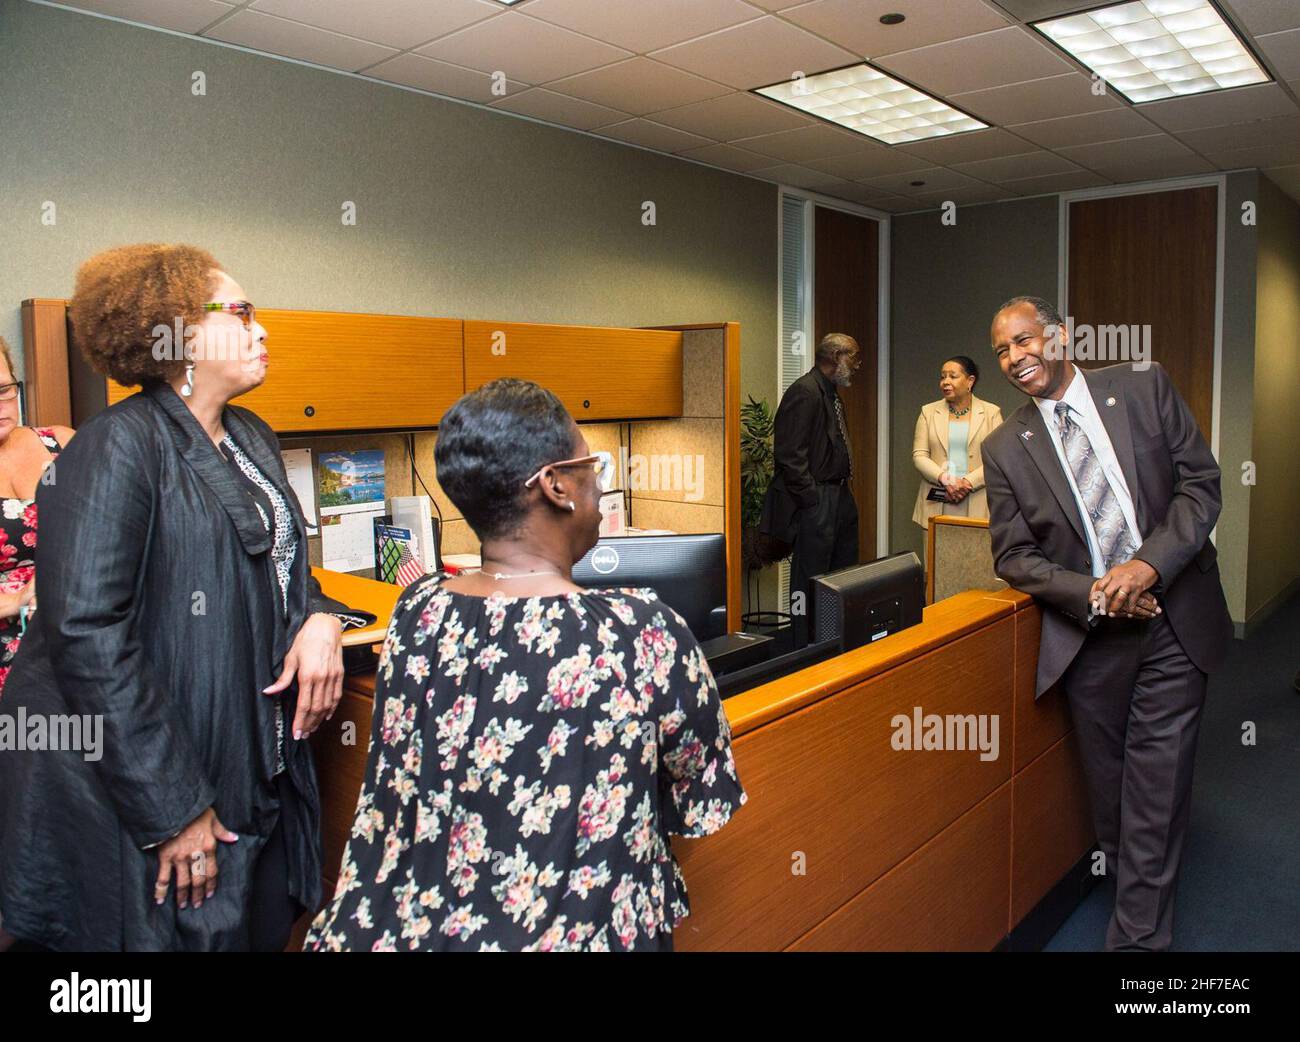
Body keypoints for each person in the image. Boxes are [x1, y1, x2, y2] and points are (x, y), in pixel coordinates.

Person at [0, 243, 370, 951]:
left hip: (253, 754)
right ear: (177, 333)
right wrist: (173, 809)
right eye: (241, 313)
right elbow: (87, 632)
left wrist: (319, 620)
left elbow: (288, 571)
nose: (263, 330)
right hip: (159, 773)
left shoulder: (254, 439)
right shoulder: (117, 448)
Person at [304, 378, 745, 952]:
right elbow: (701, 797)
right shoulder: (638, 631)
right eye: (592, 467)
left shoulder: (419, 610)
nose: (599, 485)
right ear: (557, 485)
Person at [981, 295, 1232, 951]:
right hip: (1092, 642)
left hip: (1174, 620)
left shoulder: (1142, 385)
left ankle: (1137, 944)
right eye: (1003, 349)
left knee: (1156, 783)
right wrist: (1096, 590)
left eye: (1025, 340)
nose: (1015, 357)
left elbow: (1200, 486)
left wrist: (1146, 567)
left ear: (1060, 337)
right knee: (1114, 798)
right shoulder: (1006, 445)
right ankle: (1138, 898)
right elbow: (1014, 556)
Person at [0, 336, 75, 953]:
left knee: (68, 823)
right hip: (3, 666)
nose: (1, 404)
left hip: (66, 658)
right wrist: (11, 599)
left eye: (5, 388)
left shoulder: (60, 442)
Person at [767, 333, 861, 647]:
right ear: (836, 356)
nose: (857, 365)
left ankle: (833, 640)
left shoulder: (830, 392)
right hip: (817, 500)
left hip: (839, 496)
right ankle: (802, 647)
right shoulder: (805, 392)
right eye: (854, 357)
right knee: (809, 581)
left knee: (841, 574)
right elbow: (789, 455)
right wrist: (812, 500)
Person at [911, 355, 1002, 528]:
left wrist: (967, 483)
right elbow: (919, 455)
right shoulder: (928, 412)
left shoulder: (992, 413)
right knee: (936, 554)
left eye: (952, 376)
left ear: (970, 381)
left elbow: (998, 459)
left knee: (975, 554)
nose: (945, 381)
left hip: (977, 499)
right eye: (942, 376)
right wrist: (945, 479)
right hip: (938, 497)